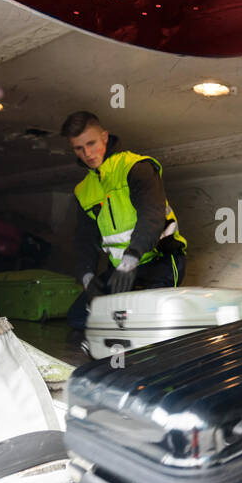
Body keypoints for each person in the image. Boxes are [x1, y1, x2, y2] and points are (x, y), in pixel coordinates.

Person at [61, 111, 186, 342]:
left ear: (105, 138)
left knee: (147, 322)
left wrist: (131, 260)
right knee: (78, 318)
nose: (87, 153)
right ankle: (120, 321)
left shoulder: (135, 167)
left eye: (91, 143)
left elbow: (152, 217)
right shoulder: (83, 190)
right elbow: (85, 239)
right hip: (118, 271)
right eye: (79, 148)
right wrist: (88, 279)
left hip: (160, 261)